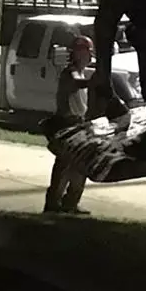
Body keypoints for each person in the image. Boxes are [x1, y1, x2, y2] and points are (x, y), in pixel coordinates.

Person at [43, 35, 94, 215]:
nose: (85, 55)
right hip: (67, 125)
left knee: (80, 167)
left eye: (86, 51)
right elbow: (76, 83)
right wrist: (96, 82)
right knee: (64, 166)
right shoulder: (70, 73)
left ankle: (71, 203)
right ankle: (53, 203)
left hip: (81, 125)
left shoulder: (81, 73)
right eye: (81, 51)